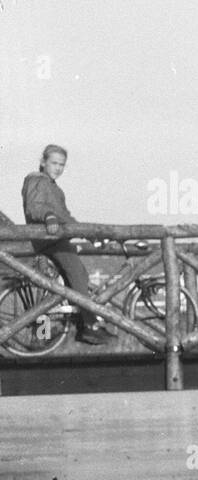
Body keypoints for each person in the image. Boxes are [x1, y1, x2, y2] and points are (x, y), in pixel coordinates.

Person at [21, 145, 109, 344]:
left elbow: (66, 217)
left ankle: (82, 323)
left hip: (55, 240)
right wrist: (49, 216)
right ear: (43, 162)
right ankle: (89, 325)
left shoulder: (53, 187)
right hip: (49, 240)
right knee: (77, 273)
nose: (58, 168)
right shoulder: (37, 180)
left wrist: (88, 234)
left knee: (74, 279)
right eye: (54, 163)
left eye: (62, 165)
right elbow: (35, 207)